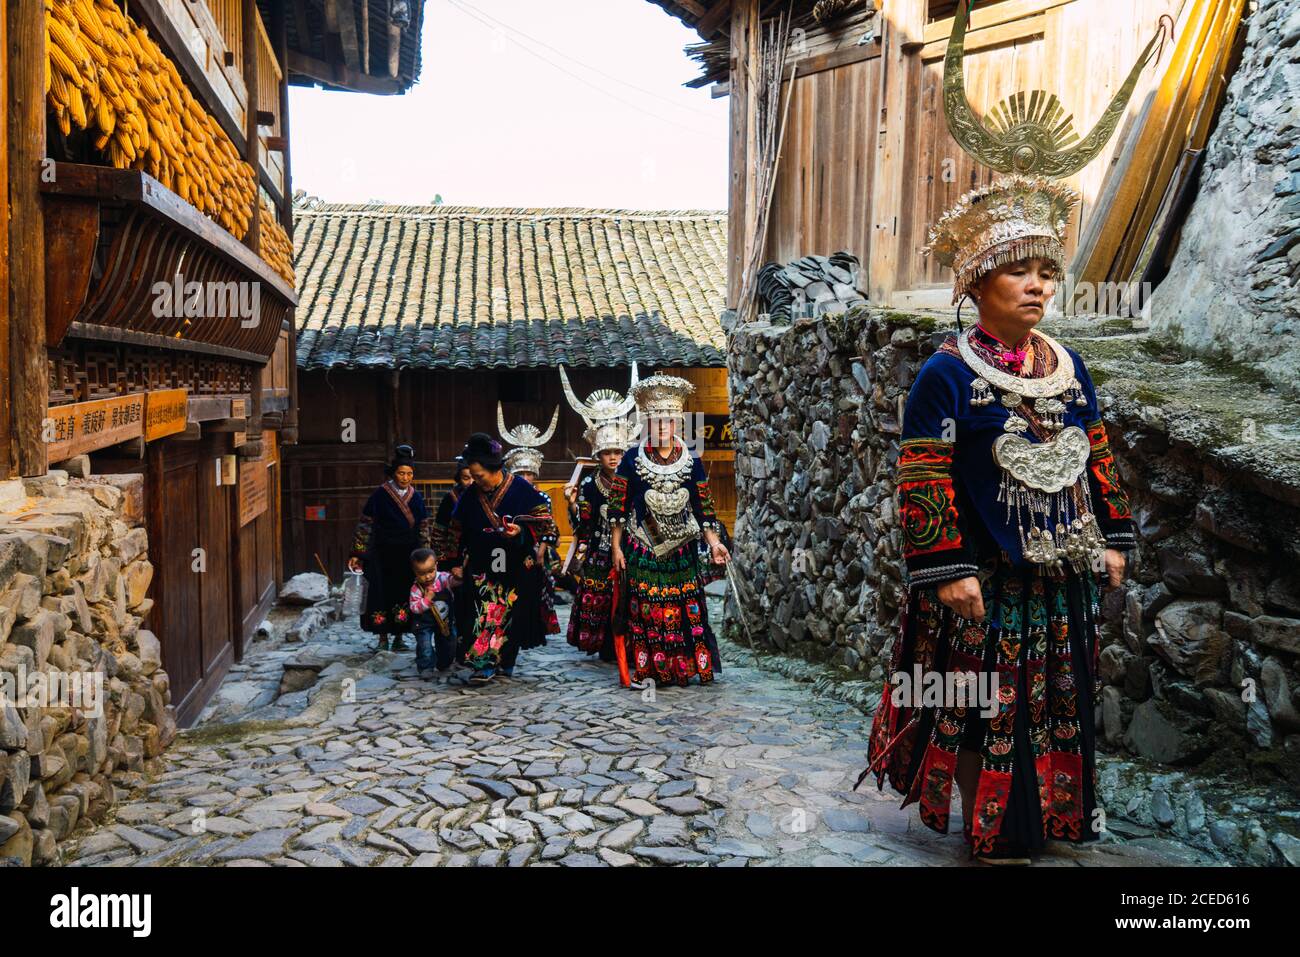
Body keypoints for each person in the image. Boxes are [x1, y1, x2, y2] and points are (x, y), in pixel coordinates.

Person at [862, 173, 1138, 863]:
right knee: (976, 699)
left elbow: (1096, 457)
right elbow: (923, 476)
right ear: (978, 283)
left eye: (1048, 271)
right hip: (981, 579)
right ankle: (985, 822)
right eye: (1019, 270)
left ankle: (1040, 816)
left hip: (1061, 577)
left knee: (1052, 701)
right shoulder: (946, 374)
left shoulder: (1070, 369)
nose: (1038, 285)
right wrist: (945, 567)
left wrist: (1114, 534)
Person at [608, 374, 729, 687]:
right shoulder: (632, 460)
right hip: (643, 549)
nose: (663, 427)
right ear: (648, 423)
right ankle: (654, 670)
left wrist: (714, 543)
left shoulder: (692, 460)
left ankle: (685, 666)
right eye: (657, 421)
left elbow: (704, 508)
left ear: (678, 423)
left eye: (670, 421)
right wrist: (616, 548)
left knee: (682, 605)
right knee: (648, 608)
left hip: (682, 549)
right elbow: (618, 510)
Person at [438, 433, 559, 684]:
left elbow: (547, 525)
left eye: (480, 475)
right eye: (472, 476)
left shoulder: (521, 489)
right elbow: (455, 531)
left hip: (516, 565)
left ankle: (507, 659)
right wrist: (453, 564)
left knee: (511, 612)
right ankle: (484, 664)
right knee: (485, 611)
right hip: (483, 565)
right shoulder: (470, 496)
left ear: (495, 469)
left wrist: (522, 531)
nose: (476, 481)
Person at [558, 363, 638, 661]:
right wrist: (571, 503)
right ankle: (604, 646)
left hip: (629, 548)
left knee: (630, 597)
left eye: (618, 452)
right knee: (601, 597)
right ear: (598, 455)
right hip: (599, 551)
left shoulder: (634, 483)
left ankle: (628, 645)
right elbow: (583, 524)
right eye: (608, 453)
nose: (614, 458)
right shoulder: (590, 485)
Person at [348, 445, 431, 651]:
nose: (405, 477)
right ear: (394, 473)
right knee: (380, 593)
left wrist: (426, 553)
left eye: (409, 473)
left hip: (407, 555)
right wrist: (358, 553)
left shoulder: (416, 497)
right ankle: (382, 637)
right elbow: (365, 524)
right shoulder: (380, 495)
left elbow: (423, 527)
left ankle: (399, 637)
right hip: (381, 553)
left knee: (403, 592)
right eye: (401, 473)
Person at [499, 404, 564, 639]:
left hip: (539, 551)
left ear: (536, 475)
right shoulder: (507, 495)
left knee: (540, 589)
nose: (526, 478)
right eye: (521, 474)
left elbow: (550, 526)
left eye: (529, 474)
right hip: (512, 549)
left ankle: (537, 626)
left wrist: (542, 549)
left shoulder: (543, 497)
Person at [432, 462, 477, 658]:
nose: (471, 482)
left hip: (476, 560)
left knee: (473, 606)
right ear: (458, 479)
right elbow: (439, 532)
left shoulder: (482, 497)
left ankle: (475, 648)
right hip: (452, 562)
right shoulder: (450, 499)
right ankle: (455, 650)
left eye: (473, 477)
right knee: (455, 607)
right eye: (466, 478)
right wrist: (446, 565)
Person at [408, 548, 459, 679]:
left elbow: (454, 582)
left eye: (431, 571)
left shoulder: (443, 578)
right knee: (425, 645)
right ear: (415, 572)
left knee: (448, 643)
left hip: (445, 620)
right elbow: (414, 607)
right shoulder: (416, 589)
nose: (428, 576)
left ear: (436, 565)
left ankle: (444, 663)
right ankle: (426, 667)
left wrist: (458, 576)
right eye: (422, 573)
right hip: (424, 622)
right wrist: (426, 600)